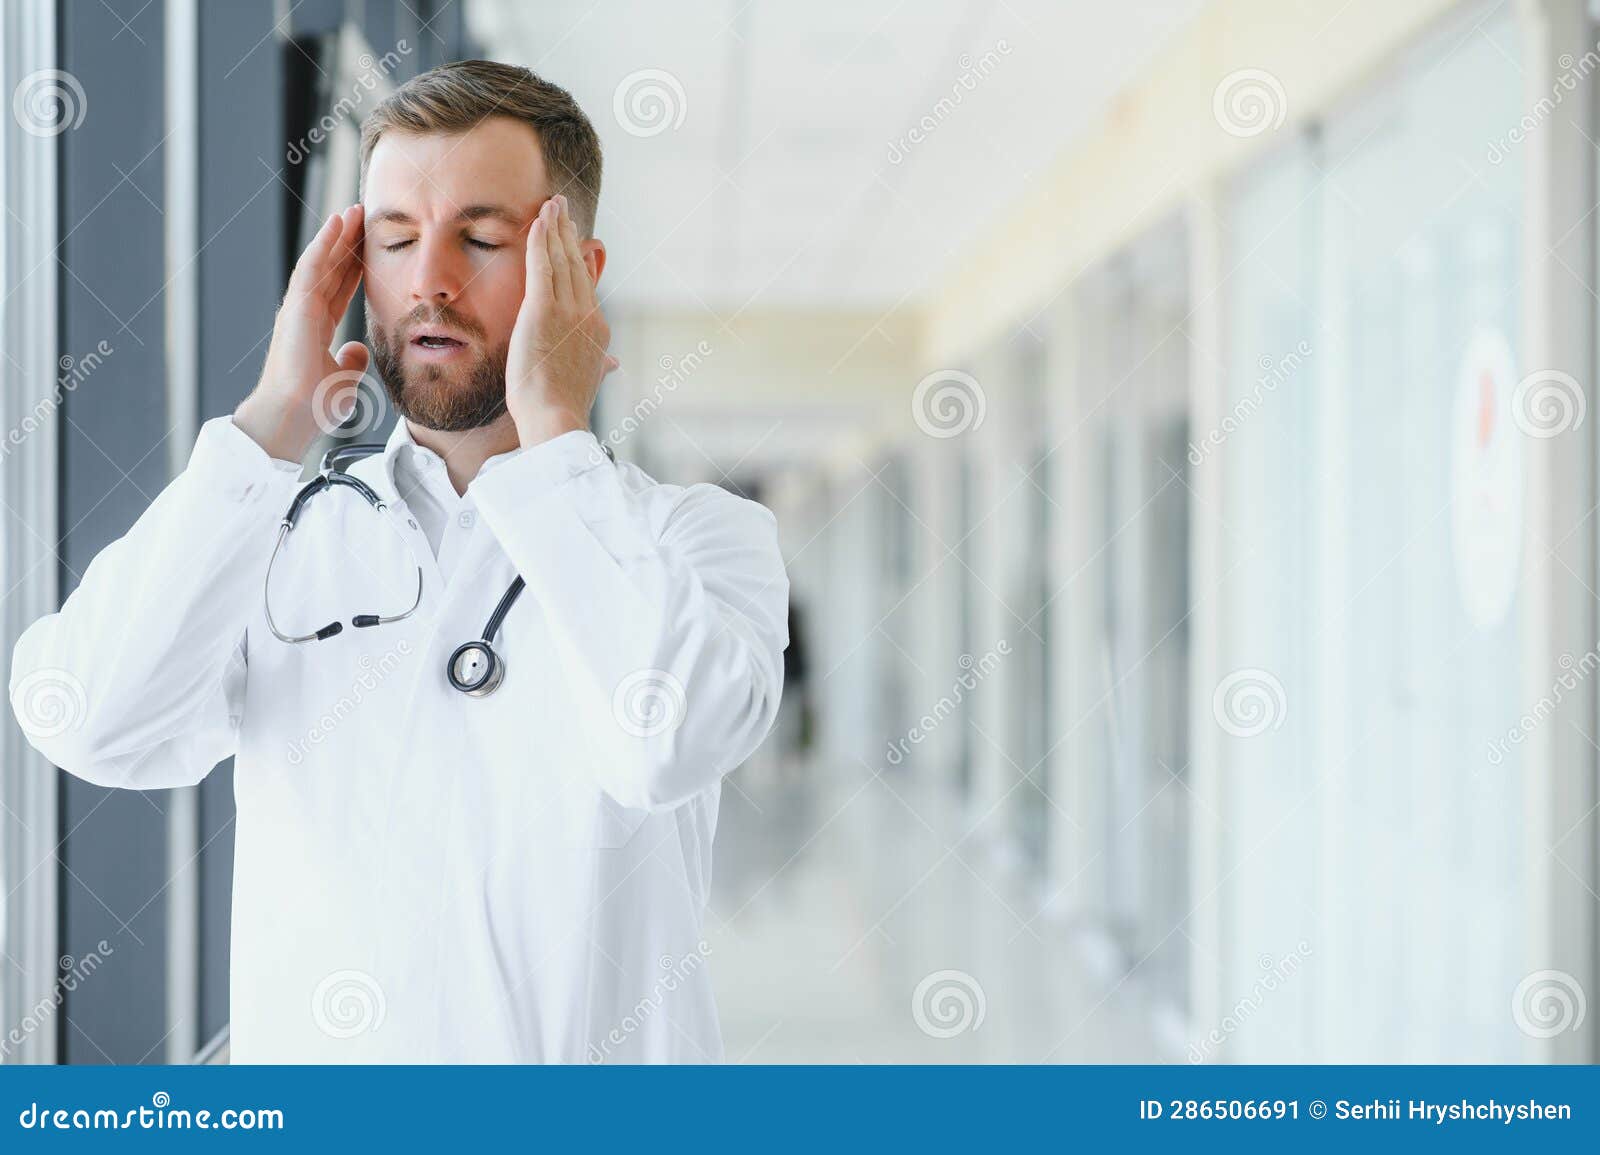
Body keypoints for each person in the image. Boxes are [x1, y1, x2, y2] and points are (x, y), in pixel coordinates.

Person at [8, 60, 789, 1063]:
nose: (429, 279)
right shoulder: (274, 527)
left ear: (577, 275)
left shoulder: (695, 537)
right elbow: (89, 721)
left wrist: (555, 436)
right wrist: (264, 432)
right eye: (394, 238)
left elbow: (663, 746)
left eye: (479, 236)